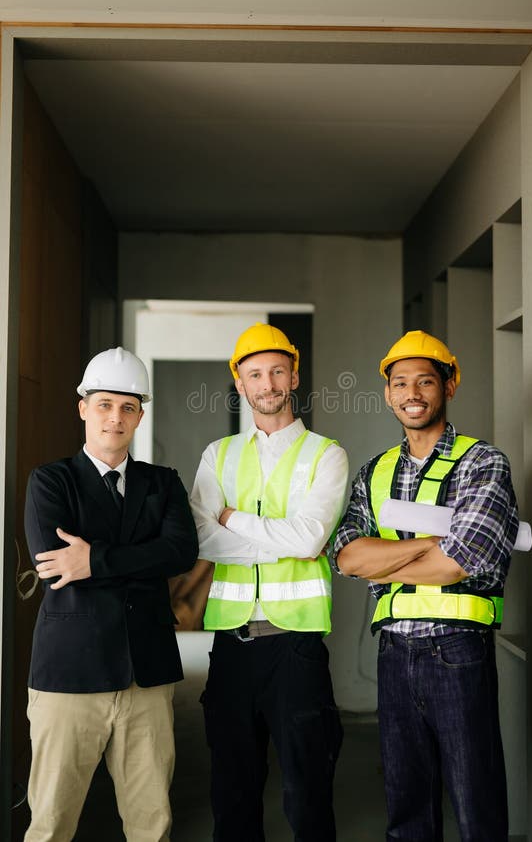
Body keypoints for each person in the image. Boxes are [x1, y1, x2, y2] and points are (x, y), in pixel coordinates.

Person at [334, 330, 518, 842]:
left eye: (425, 381)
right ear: (388, 392)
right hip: (394, 652)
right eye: (399, 383)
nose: (411, 392)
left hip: (458, 652)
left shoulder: (483, 463)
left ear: (449, 385)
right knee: (406, 806)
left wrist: (386, 561)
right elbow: (347, 558)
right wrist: (430, 544)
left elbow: (461, 560)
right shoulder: (374, 471)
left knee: (475, 802)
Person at [24, 346, 198, 842]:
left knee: (151, 823)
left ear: (140, 414)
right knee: (52, 823)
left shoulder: (162, 483)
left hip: (147, 675)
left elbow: (181, 553)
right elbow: (54, 564)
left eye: (127, 407)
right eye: (103, 404)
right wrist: (145, 556)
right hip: (69, 676)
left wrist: (95, 559)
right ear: (83, 408)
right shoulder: (51, 481)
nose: (114, 418)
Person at [190, 323, 348, 842]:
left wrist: (232, 518)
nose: (268, 382)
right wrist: (283, 539)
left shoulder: (326, 454)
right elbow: (201, 541)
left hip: (295, 647)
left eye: (277, 370)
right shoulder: (218, 455)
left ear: (294, 376)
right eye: (255, 373)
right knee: (232, 794)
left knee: (308, 793)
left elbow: (308, 538)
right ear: (239, 382)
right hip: (231, 648)